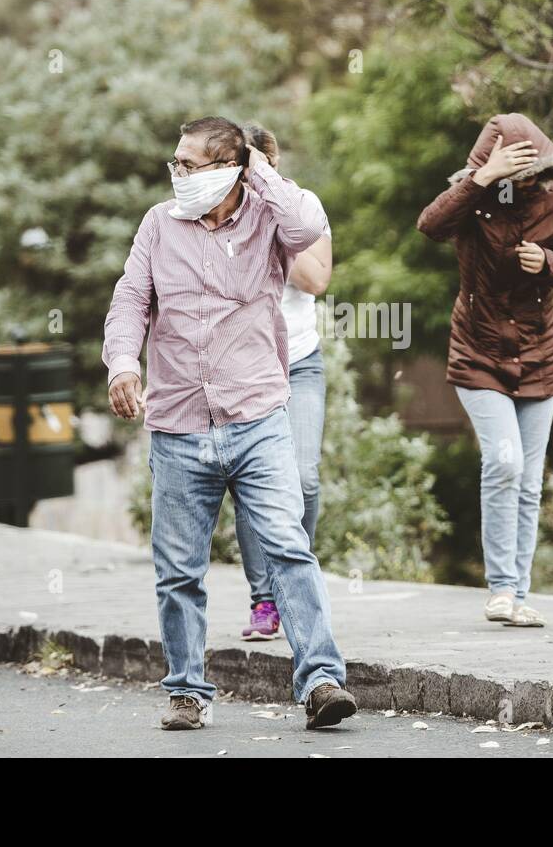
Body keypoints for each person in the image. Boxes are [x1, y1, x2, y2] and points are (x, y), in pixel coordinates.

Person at [103, 116, 355, 731]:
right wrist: (121, 365)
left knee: (288, 547)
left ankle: (320, 681)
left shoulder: (269, 217)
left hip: (256, 414)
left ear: (228, 168)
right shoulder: (159, 224)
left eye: (189, 165)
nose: (177, 174)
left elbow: (311, 229)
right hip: (179, 424)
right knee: (178, 570)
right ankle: (188, 691)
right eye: (176, 163)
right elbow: (132, 298)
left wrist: (261, 173)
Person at [417, 114, 553, 628]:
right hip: (478, 351)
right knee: (505, 461)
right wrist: (482, 177)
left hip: (540, 354)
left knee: (529, 480)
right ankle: (499, 588)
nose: (524, 183)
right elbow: (429, 226)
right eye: (512, 172)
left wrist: (549, 262)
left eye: (530, 172)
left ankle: (518, 593)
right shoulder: (472, 200)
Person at [233, 125, 332, 641]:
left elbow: (317, 279)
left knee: (305, 477)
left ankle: (295, 578)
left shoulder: (303, 207)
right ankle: (265, 599)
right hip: (248, 369)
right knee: (254, 486)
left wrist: (276, 224)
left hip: (300, 361)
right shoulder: (218, 218)